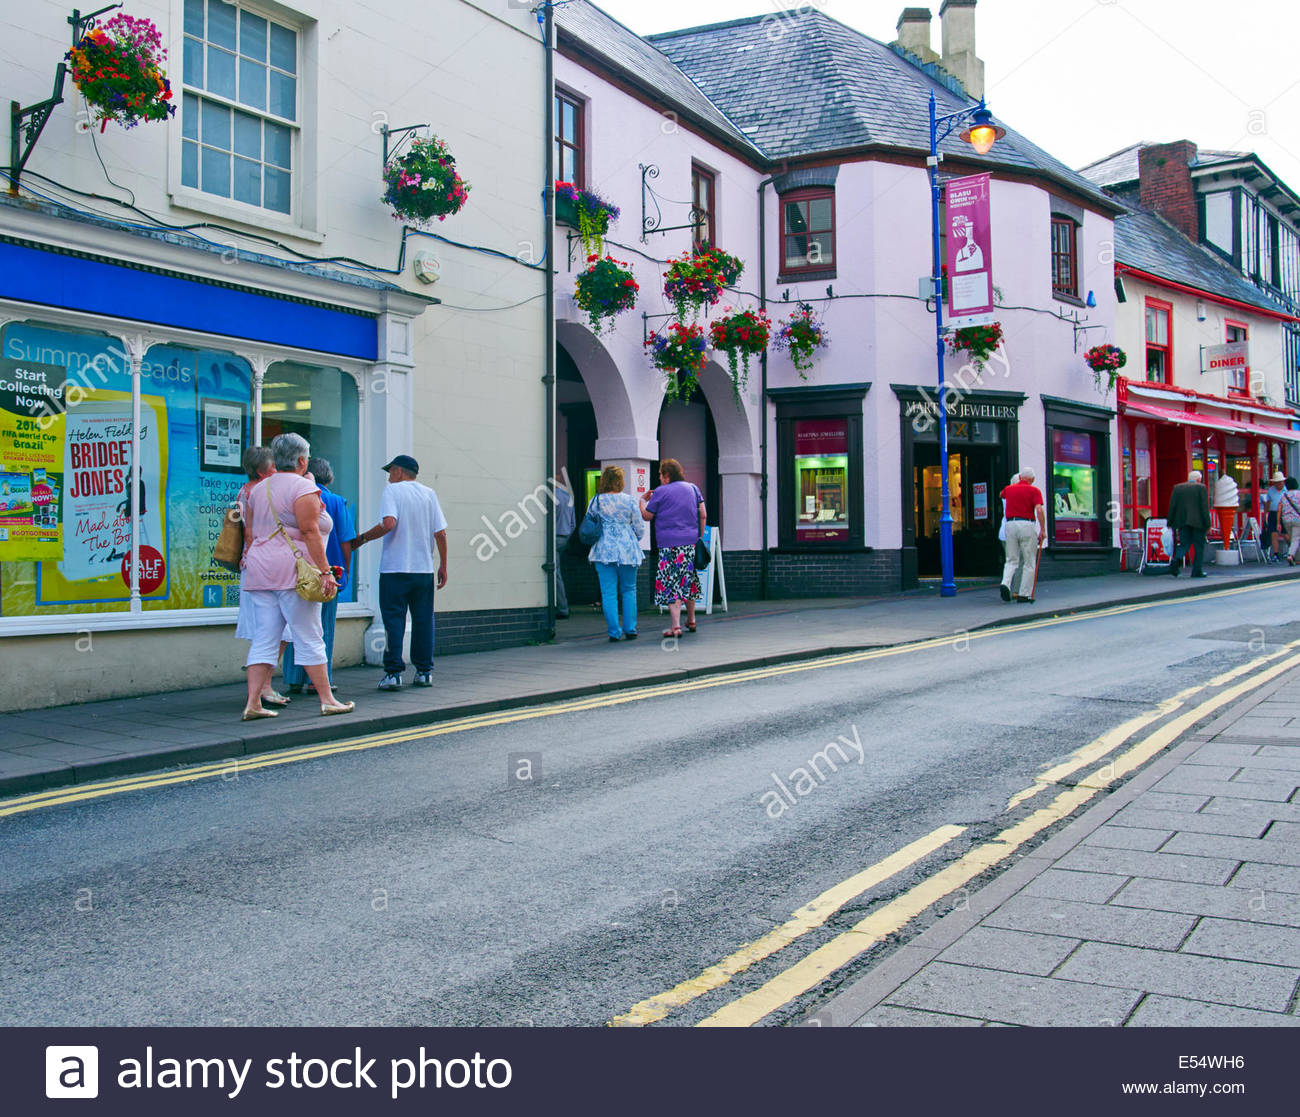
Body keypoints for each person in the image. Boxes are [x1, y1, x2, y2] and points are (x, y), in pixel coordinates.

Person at [238, 433, 353, 719]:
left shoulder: (258, 489)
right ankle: (327, 699)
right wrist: (325, 572)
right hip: (293, 570)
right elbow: (310, 531)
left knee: (265, 637)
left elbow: (251, 532)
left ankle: (253, 703)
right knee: (309, 633)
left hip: (259, 571)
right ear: (302, 460)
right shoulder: (302, 488)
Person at [352, 454, 448, 691]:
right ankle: (424, 672)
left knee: (393, 622)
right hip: (423, 570)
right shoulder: (429, 494)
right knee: (423, 621)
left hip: (394, 570)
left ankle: (393, 674)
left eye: (390, 471)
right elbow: (441, 533)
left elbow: (388, 524)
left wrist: (362, 539)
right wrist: (443, 565)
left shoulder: (392, 492)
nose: (389, 476)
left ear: (399, 471)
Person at [284, 456, 356, 694]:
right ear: (329, 476)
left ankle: (294, 678)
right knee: (322, 628)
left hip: (299, 571)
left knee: (297, 624)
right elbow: (346, 540)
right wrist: (344, 570)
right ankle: (319, 682)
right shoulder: (335, 501)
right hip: (328, 571)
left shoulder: (292, 496)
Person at [234, 445, 291, 709]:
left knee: (269, 631)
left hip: (253, 568)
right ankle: (263, 688)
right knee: (274, 630)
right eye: (272, 467)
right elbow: (252, 533)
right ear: (261, 470)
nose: (276, 470)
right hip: (266, 568)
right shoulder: (261, 493)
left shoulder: (243, 492)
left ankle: (261, 690)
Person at [641, 458, 705, 637]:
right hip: (689, 544)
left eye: (660, 474)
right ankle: (691, 620)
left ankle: (676, 626)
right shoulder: (693, 488)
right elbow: (703, 514)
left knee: (671, 582)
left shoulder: (661, 492)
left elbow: (647, 516)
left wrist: (642, 501)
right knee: (689, 579)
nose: (660, 478)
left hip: (669, 545)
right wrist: (698, 537)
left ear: (667, 475)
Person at [587, 465, 644, 641]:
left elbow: (589, 523)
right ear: (620, 481)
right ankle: (630, 629)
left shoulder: (596, 501)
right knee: (629, 589)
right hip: (628, 550)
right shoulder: (629, 500)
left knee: (608, 593)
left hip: (603, 550)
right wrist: (631, 537)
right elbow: (639, 527)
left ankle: (614, 632)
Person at [999, 467, 1046, 603]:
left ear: (1020, 478)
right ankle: (1023, 594)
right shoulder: (1034, 490)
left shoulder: (1009, 489)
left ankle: (1005, 583)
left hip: (1010, 524)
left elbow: (1001, 494)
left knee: (1011, 559)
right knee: (1029, 561)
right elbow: (1039, 509)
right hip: (1026, 524)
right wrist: (1042, 529)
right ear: (1032, 480)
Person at [1167, 469, 1211, 578]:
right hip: (1198, 522)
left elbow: (1172, 505)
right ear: (1198, 479)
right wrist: (1208, 524)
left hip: (1182, 521)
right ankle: (1197, 571)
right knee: (1198, 546)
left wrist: (1170, 521)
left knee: (1184, 544)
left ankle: (1175, 561)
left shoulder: (1177, 488)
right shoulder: (1201, 488)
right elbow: (1204, 508)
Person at [554, 476, 575, 619]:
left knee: (555, 573)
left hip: (554, 538)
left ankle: (562, 608)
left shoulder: (551, 498)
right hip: (565, 537)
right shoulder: (569, 498)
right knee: (557, 571)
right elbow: (573, 523)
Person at [1265, 471, 1287, 562]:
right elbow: (1268, 502)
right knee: (1273, 534)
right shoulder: (1271, 490)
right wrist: (1266, 514)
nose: (1278, 484)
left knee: (1285, 534)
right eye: (1277, 482)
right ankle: (1276, 554)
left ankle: (1293, 550)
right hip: (1273, 513)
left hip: (1283, 514)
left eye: (1280, 482)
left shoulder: (1286, 491)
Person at [1279, 477, 1300, 565]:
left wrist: (1278, 522)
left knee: (1293, 539)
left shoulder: (1284, 495)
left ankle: (1297, 558)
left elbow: (1280, 508)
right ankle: (1290, 555)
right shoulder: (1299, 494)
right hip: (1297, 519)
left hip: (1286, 520)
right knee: (1296, 538)